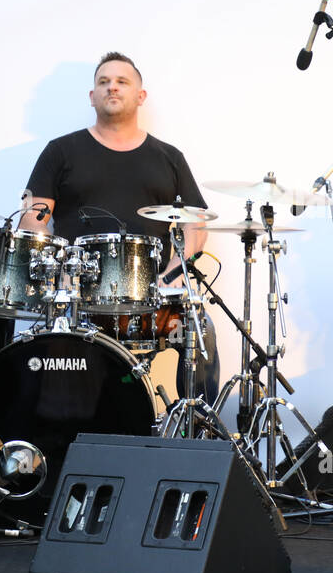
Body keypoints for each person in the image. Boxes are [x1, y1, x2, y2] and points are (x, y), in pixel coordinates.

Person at [21, 51, 218, 400]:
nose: (112, 87)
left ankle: (197, 432)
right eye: (103, 82)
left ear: (140, 96)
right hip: (78, 302)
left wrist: (167, 278)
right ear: (92, 96)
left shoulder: (169, 157)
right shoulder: (60, 151)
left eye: (122, 82)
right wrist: (58, 275)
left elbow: (195, 229)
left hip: (148, 306)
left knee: (197, 327)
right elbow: (33, 220)